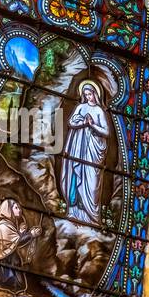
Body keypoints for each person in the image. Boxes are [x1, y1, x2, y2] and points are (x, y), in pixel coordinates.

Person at [60, 81, 110, 224]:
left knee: (92, 182)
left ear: (95, 94)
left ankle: (90, 216)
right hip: (78, 149)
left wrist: (92, 124)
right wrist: (83, 122)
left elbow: (106, 131)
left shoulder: (100, 111)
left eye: (90, 94)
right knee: (76, 176)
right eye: (86, 94)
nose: (88, 97)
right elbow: (71, 122)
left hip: (93, 152)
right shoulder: (81, 107)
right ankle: (74, 211)